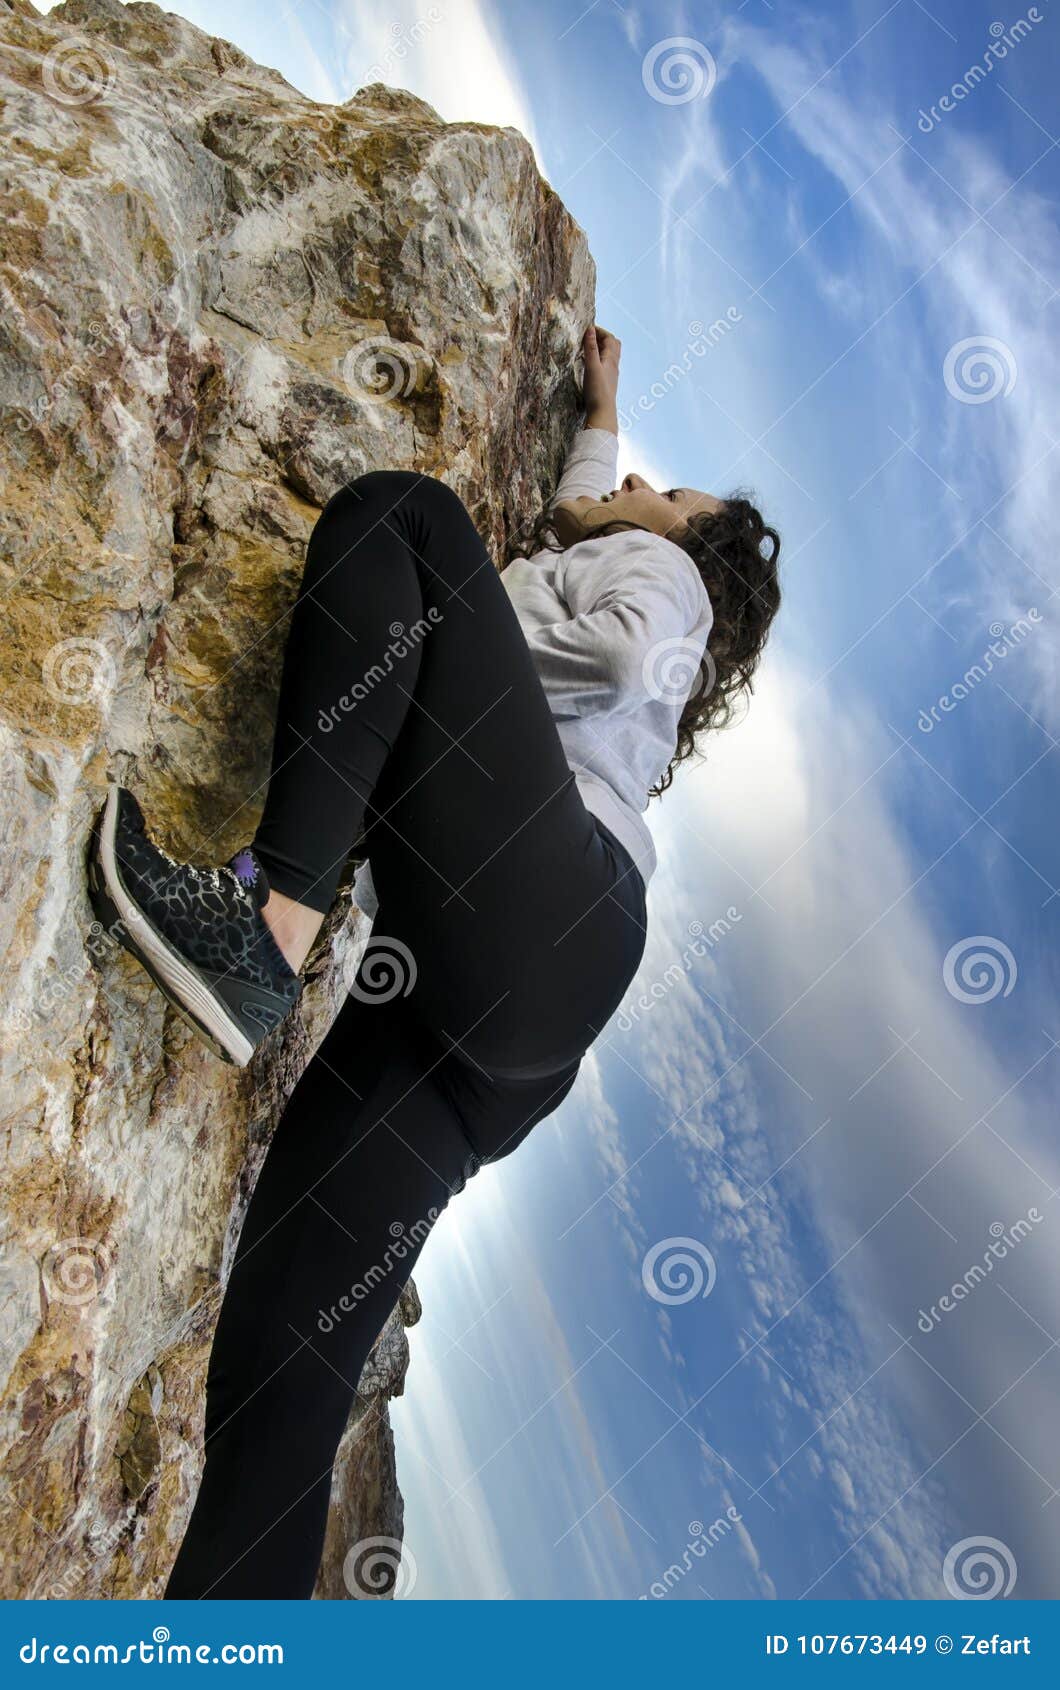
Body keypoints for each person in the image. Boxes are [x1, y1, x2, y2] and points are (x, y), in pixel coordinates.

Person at [88, 325, 781, 1598]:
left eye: (665, 495)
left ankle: (269, 929)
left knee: (402, 520)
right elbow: (589, 499)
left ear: (691, 542)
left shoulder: (666, 579)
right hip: (502, 1014)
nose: (641, 487)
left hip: (545, 909)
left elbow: (631, 641)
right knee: (278, 1363)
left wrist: (492, 638)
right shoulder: (612, 540)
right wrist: (605, 404)